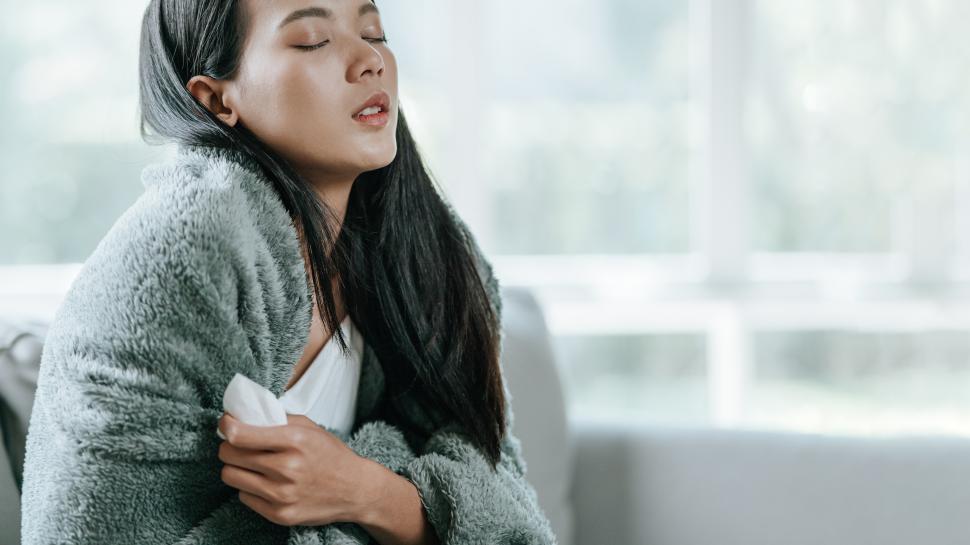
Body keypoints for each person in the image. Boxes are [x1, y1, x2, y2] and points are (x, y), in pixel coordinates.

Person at [19, 1, 557, 544]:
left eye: (374, 32)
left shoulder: (428, 254)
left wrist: (367, 489)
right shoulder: (185, 255)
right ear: (217, 99)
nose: (369, 60)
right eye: (313, 41)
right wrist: (391, 486)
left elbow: (504, 503)